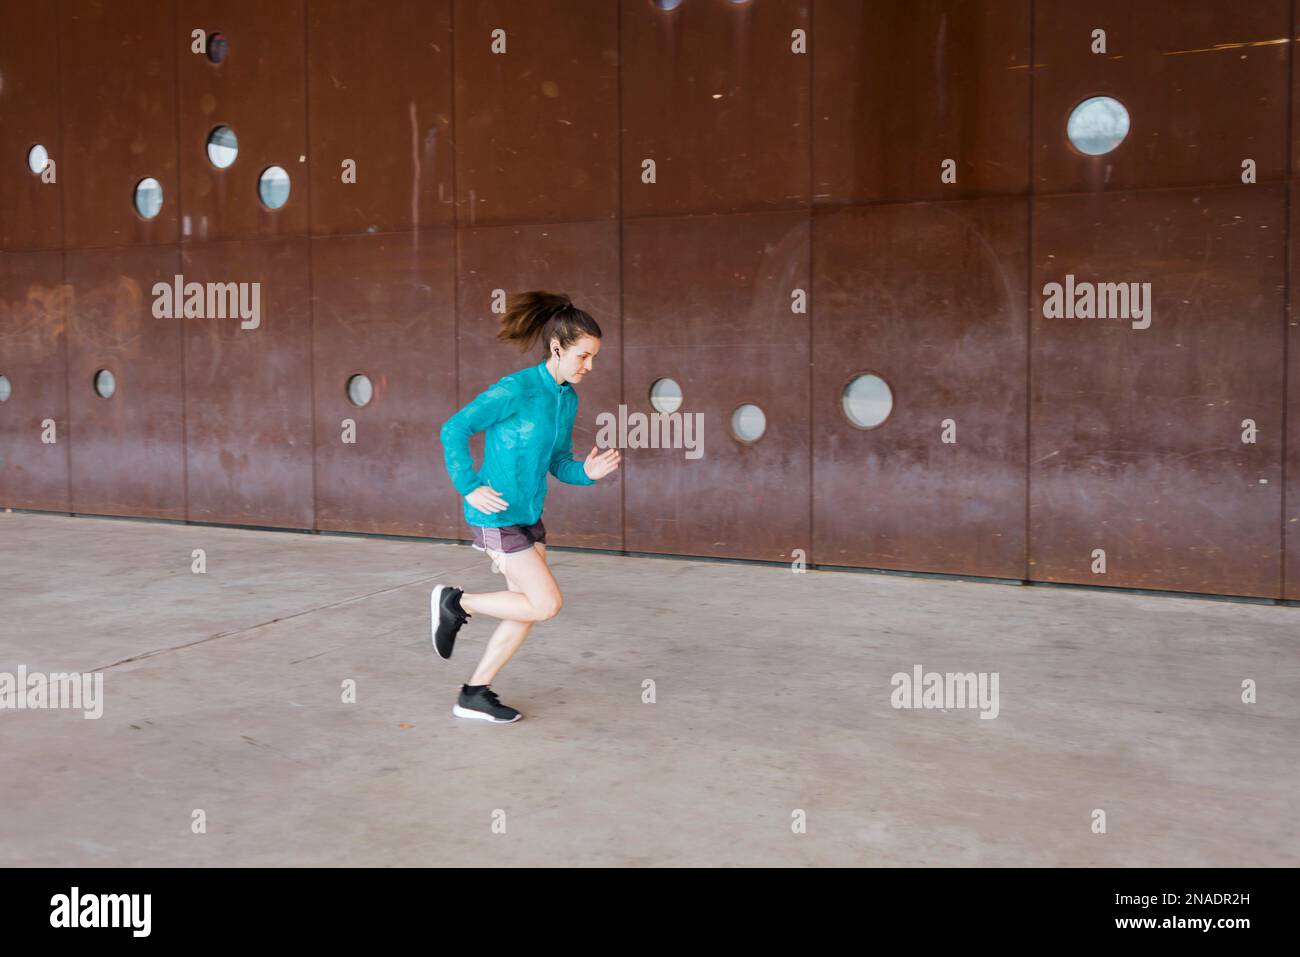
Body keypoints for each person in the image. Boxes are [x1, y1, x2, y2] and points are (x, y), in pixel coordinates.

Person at [432, 290, 620, 723]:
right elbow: (454, 429)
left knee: (528, 608)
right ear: (558, 348)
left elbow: (558, 462)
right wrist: (468, 485)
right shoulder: (515, 389)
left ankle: (474, 693)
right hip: (495, 516)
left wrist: (586, 474)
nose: (589, 367)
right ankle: (457, 604)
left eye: (594, 358)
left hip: (529, 517)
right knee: (546, 603)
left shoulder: (566, 398)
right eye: (584, 356)